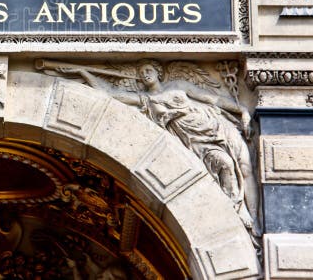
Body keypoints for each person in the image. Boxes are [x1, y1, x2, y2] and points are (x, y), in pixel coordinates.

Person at [56, 59, 258, 233]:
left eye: (148, 70)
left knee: (246, 167)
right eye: (142, 72)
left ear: (158, 72)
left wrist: (241, 110)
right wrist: (83, 72)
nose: (145, 74)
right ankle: (237, 210)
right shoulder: (147, 100)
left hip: (214, 126)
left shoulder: (178, 85)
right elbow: (110, 93)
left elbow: (211, 98)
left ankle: (253, 217)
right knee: (225, 164)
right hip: (195, 140)